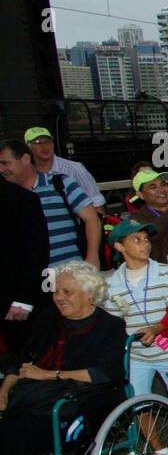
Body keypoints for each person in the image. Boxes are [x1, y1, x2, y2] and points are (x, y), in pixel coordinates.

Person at [0, 262, 125, 455]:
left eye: (67, 292)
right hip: (32, 397)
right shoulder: (47, 319)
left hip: (78, 405)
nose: (59, 297)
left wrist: (47, 375)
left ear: (89, 294)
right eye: (56, 291)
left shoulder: (110, 326)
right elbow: (22, 360)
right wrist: (5, 389)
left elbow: (103, 374)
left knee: (18, 434)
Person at [103, 220, 168, 434]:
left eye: (146, 239)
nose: (145, 244)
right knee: (138, 404)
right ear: (120, 247)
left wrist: (157, 329)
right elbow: (113, 324)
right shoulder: (112, 284)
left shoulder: (167, 272)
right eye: (136, 240)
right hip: (138, 356)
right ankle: (159, 452)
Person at [0, 138, 100, 268]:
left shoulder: (61, 183)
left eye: (5, 163)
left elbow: (92, 219)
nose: (1, 169)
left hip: (71, 271)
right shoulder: (7, 196)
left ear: (25, 159)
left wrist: (92, 256)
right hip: (32, 278)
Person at [0, 175, 50, 364]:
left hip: (16, 303)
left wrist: (24, 300)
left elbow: (36, 253)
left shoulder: (22, 198)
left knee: (26, 359)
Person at [23, 126, 105, 210]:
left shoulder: (74, 168)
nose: (44, 146)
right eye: (38, 142)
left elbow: (96, 201)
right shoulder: (24, 172)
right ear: (28, 146)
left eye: (48, 141)